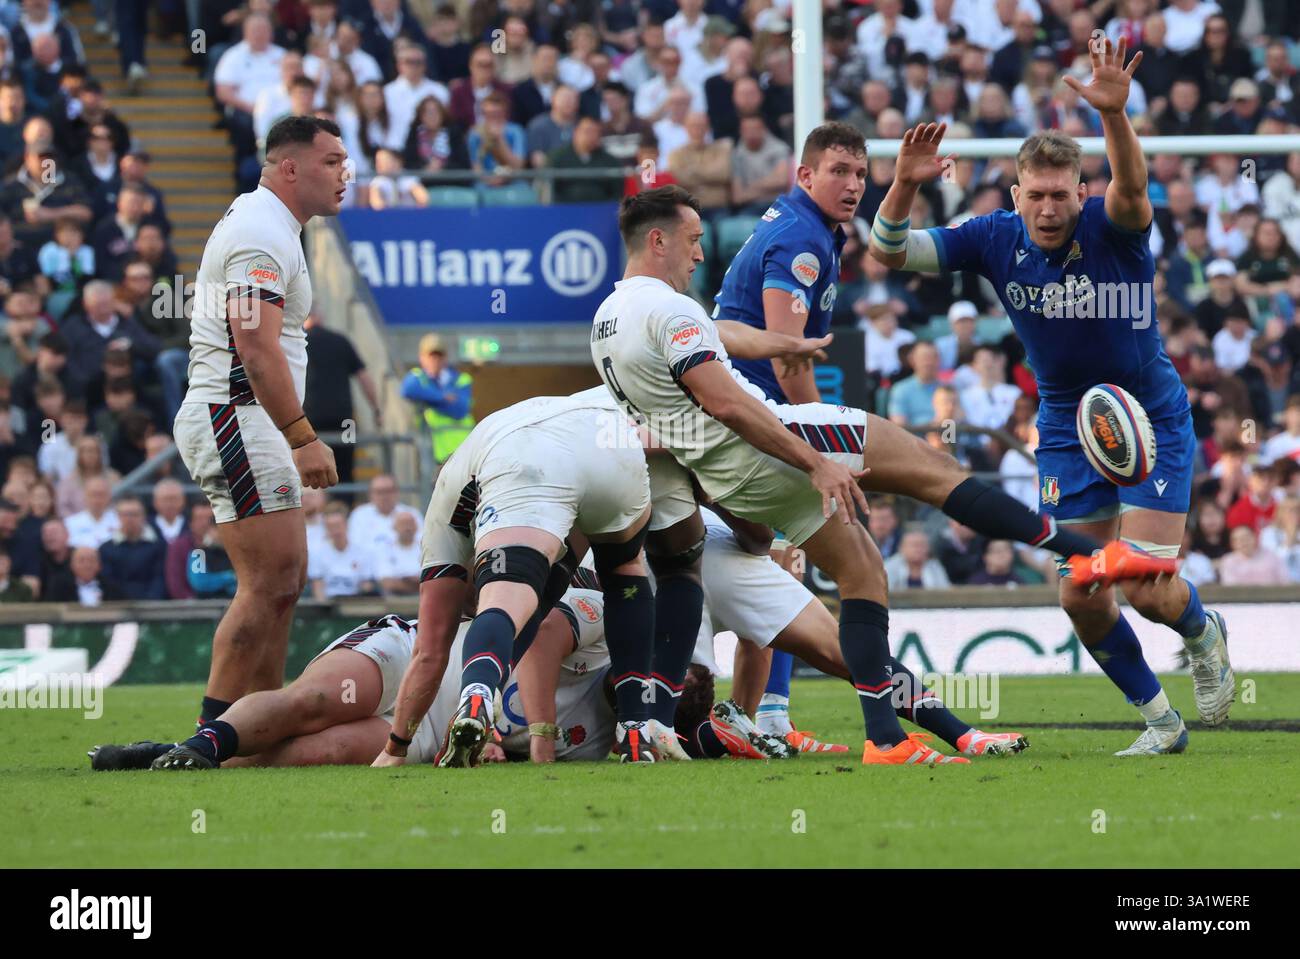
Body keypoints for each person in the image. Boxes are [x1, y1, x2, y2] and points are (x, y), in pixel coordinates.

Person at [591, 183, 1171, 766]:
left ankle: (885, 740)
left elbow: (718, 343)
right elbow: (730, 404)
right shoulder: (669, 306)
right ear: (657, 240)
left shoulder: (610, 320)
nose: (698, 254)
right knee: (936, 470)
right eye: (692, 241)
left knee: (863, 574)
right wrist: (815, 462)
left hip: (734, 477)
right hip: (783, 440)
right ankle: (1087, 553)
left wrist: (784, 343)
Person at [867, 37, 1233, 755]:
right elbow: (889, 251)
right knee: (1078, 591)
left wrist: (1115, 119)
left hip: (1147, 413)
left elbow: (1131, 184)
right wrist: (905, 183)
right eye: (1034, 194)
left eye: (1060, 195)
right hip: (1068, 422)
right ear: (1015, 196)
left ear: (1080, 194)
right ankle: (1162, 722)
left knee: (1147, 587)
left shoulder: (1114, 226)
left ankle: (1200, 628)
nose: (1047, 207)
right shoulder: (993, 237)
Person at [171, 115, 342, 731]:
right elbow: (256, 347)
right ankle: (211, 736)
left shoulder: (271, 225)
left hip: (248, 419)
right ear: (290, 167)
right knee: (269, 581)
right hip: (234, 415)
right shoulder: (259, 232)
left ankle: (259, 727)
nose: (344, 173)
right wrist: (303, 436)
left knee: (285, 581)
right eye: (332, 161)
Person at [301, 311, 382, 493]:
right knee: (346, 468)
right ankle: (344, 509)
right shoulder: (341, 340)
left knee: (312, 468)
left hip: (310, 418)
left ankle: (320, 513)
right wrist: (376, 409)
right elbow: (364, 378)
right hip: (345, 419)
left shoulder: (299, 343)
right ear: (320, 316)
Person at [400, 332, 473, 465]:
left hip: (463, 452)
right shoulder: (417, 377)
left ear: (446, 358)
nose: (435, 360)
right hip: (434, 455)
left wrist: (427, 398)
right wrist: (442, 397)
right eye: (431, 356)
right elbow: (408, 389)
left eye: (439, 356)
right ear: (421, 357)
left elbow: (460, 410)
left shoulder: (461, 379)